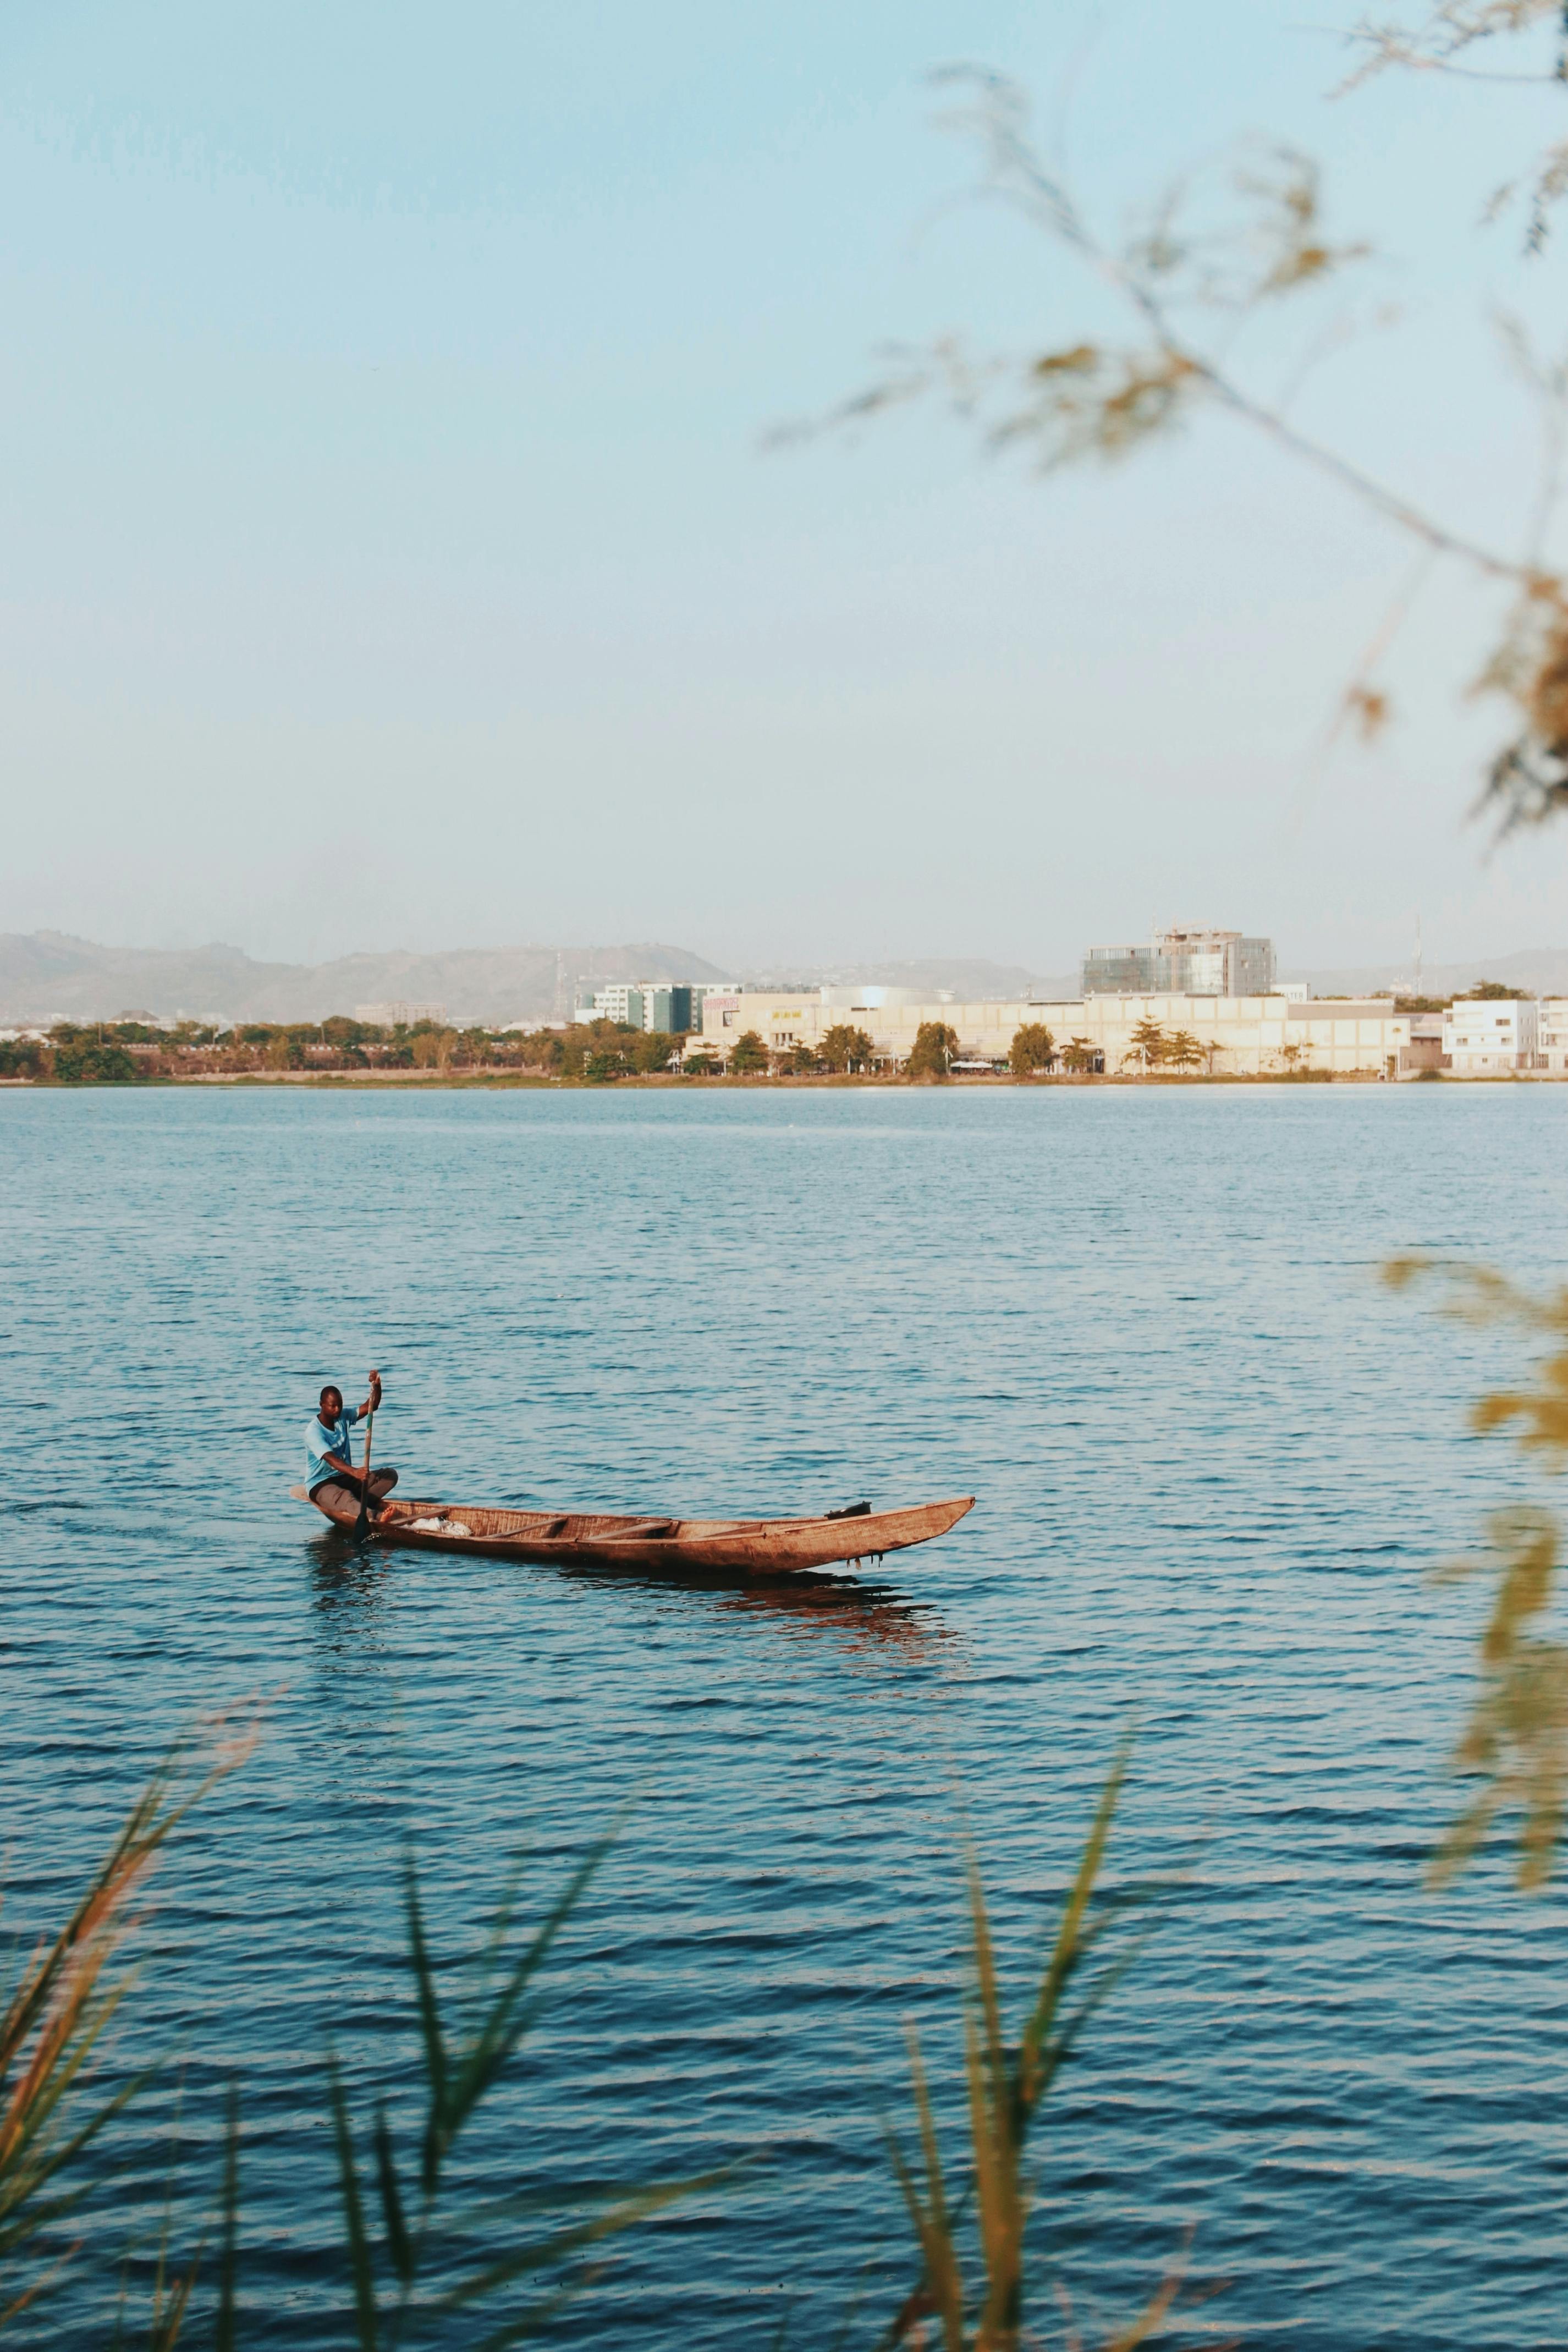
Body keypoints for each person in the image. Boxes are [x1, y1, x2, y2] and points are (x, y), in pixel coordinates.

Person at [306, 1370, 397, 1516]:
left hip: (345, 1478)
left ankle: (364, 1502)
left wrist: (377, 1386)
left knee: (390, 1475)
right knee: (347, 1498)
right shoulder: (314, 1432)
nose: (338, 1410)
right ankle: (376, 1516)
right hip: (321, 1484)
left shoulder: (343, 1416)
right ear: (322, 1405)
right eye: (333, 1406)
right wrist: (355, 1472)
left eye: (340, 1405)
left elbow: (371, 1406)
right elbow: (331, 1459)